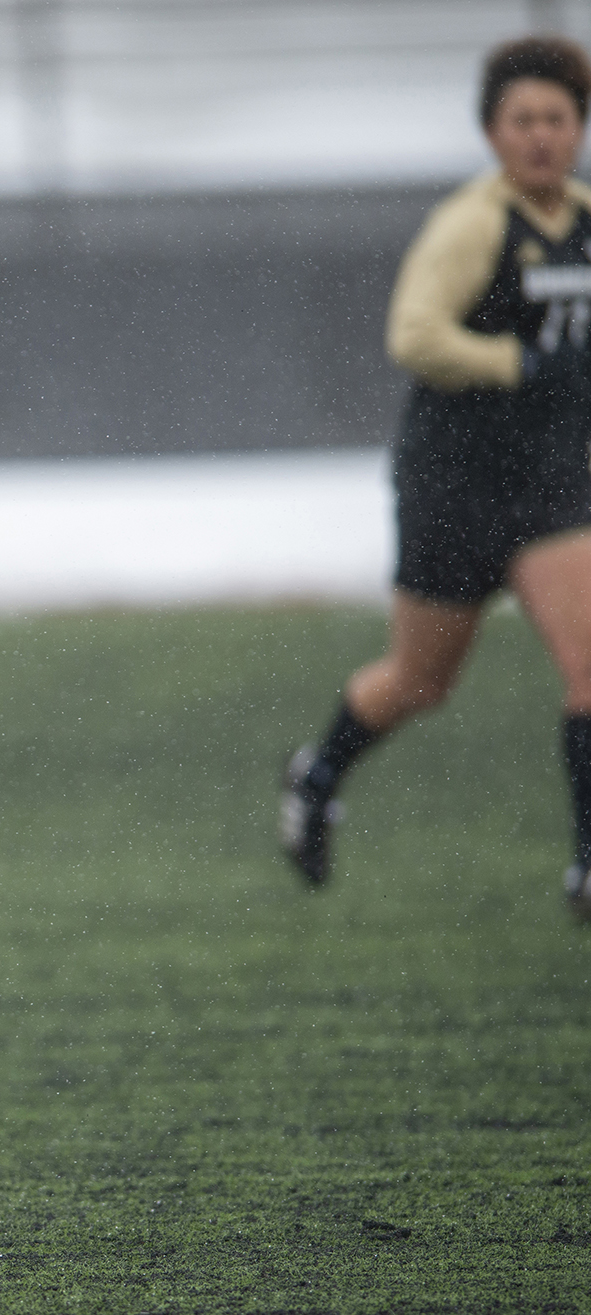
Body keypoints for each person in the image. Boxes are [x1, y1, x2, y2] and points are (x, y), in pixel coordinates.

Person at [280, 36, 591, 916]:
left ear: (578, 128)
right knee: (419, 681)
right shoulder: (473, 224)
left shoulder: (587, 220)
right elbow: (413, 335)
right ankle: (318, 772)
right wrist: (516, 365)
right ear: (492, 132)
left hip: (553, 489)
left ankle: (587, 867)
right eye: (521, 120)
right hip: (455, 484)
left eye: (556, 119)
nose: (539, 137)